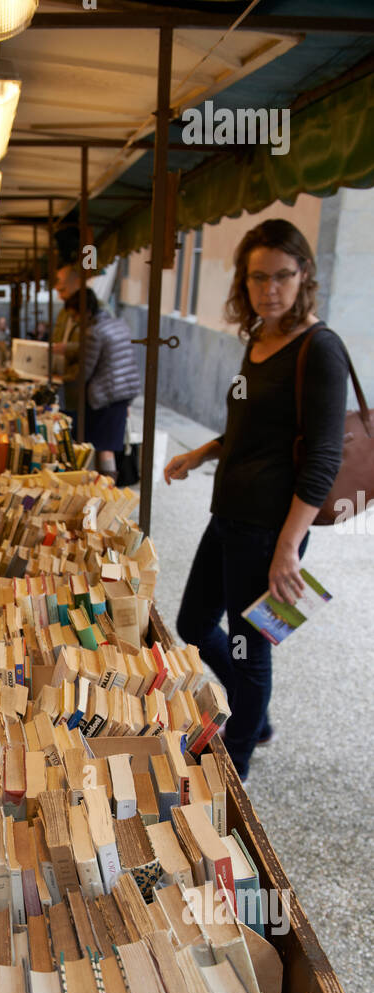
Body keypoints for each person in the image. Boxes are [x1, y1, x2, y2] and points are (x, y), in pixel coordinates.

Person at [165, 218, 349, 783]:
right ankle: (255, 717)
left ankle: (238, 759)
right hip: (228, 517)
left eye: (282, 276)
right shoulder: (259, 339)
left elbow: (322, 458)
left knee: (251, 651)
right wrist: (202, 453)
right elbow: (250, 426)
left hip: (270, 531)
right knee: (193, 624)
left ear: (305, 276)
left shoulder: (321, 350)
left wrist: (288, 548)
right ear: (244, 283)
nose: (270, 289)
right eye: (257, 278)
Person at [79, 287, 141, 478]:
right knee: (108, 445)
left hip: (105, 394)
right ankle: (107, 491)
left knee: (103, 446)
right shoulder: (119, 324)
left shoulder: (94, 332)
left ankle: (108, 493)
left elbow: (86, 369)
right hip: (123, 391)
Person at [51, 263, 82, 432]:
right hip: (65, 384)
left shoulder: (92, 310)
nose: (59, 294)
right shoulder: (64, 312)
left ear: (76, 283)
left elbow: (91, 347)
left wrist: (66, 348)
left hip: (80, 388)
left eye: (62, 289)